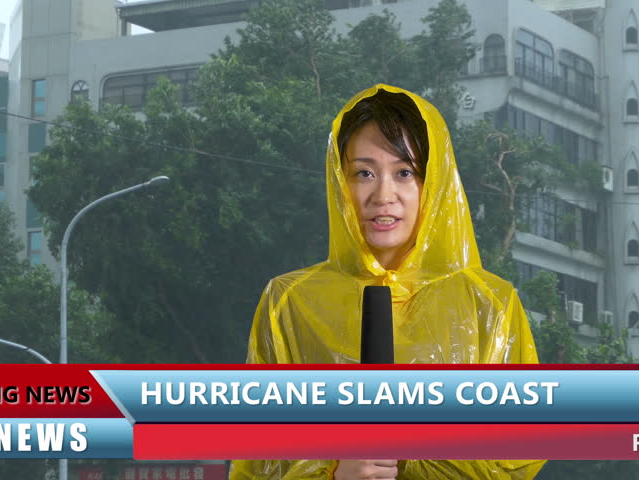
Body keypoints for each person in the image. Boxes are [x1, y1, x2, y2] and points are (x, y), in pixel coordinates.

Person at [229, 84, 543, 479]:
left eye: (404, 172)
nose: (383, 195)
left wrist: (407, 457)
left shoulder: (489, 304)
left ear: (434, 183)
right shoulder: (291, 302)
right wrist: (332, 473)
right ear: (339, 183)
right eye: (363, 173)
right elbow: (257, 462)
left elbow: (517, 458)